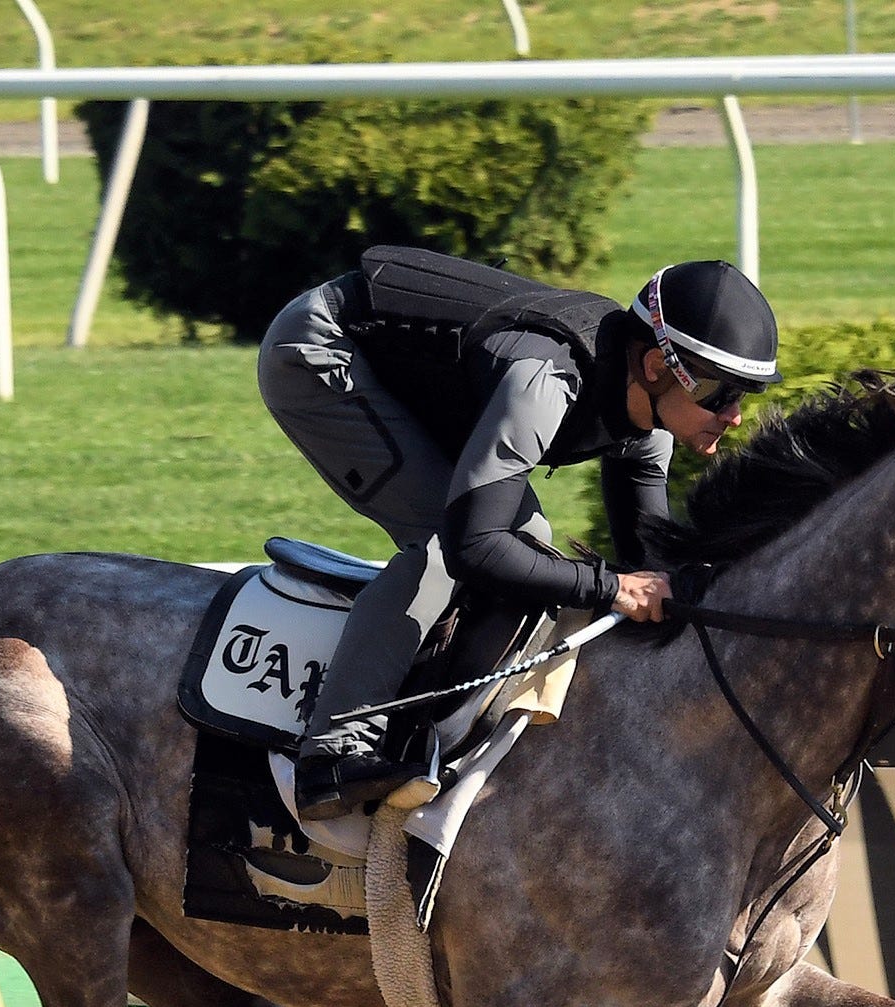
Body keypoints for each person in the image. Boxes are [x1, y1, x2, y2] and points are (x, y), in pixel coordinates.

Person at [258, 248, 780, 820]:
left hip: (413, 373)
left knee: (529, 541)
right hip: (322, 349)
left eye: (744, 395)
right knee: (442, 542)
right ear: (656, 366)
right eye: (720, 393)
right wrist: (610, 588)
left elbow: (647, 563)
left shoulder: (647, 416)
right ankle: (332, 752)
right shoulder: (545, 380)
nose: (733, 415)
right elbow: (473, 547)